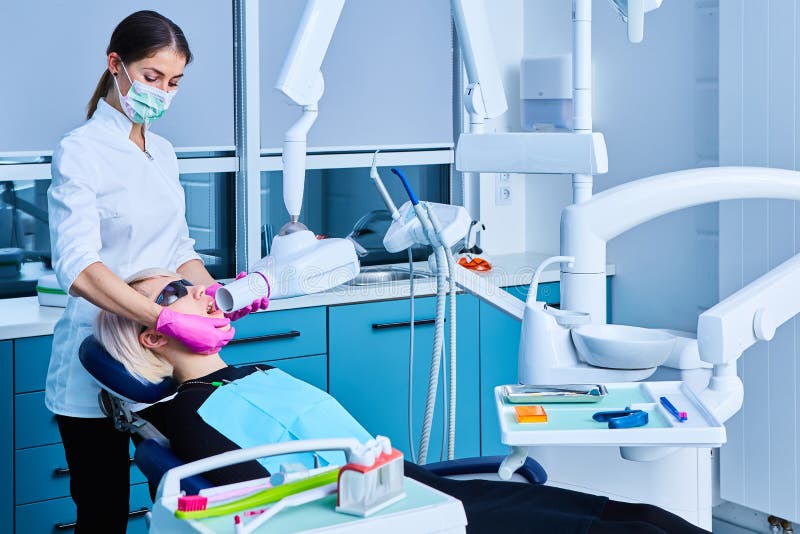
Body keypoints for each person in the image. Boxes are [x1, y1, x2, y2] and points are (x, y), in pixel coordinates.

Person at [95, 270, 710, 534]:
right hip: (403, 518)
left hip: (421, 490)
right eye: (176, 292)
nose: (201, 292)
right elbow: (272, 515)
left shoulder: (248, 371)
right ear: (151, 333)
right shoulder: (189, 416)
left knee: (641, 515)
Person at [46, 12, 268, 533]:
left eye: (174, 83)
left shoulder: (163, 154)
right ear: (116, 64)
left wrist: (219, 295)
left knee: (182, 507)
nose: (163, 92)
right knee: (101, 515)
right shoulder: (81, 150)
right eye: (152, 77)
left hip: (162, 364)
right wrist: (163, 319)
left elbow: (178, 249)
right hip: (100, 362)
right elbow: (77, 266)